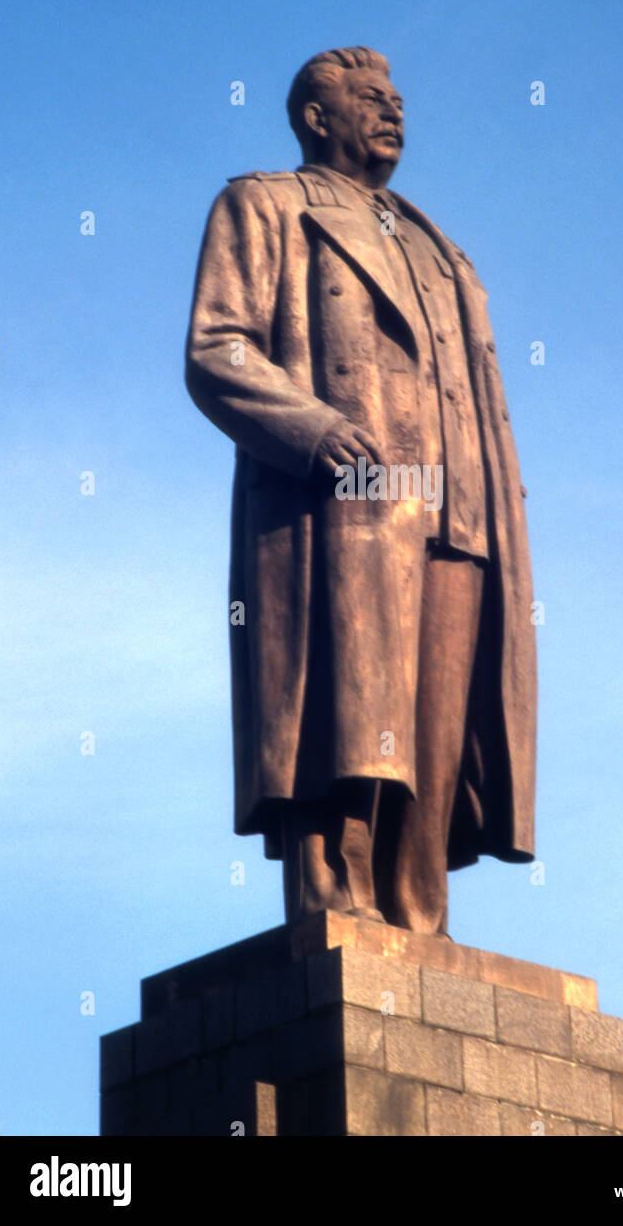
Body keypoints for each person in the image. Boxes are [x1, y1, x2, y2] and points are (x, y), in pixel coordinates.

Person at [185, 47, 537, 935]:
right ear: (316, 117)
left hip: (459, 511)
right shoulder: (264, 204)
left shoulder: (439, 246)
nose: (394, 114)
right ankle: (337, 904)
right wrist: (312, 429)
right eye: (372, 100)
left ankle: (421, 916)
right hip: (349, 501)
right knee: (347, 711)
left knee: (438, 727)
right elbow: (215, 350)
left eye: (399, 101)